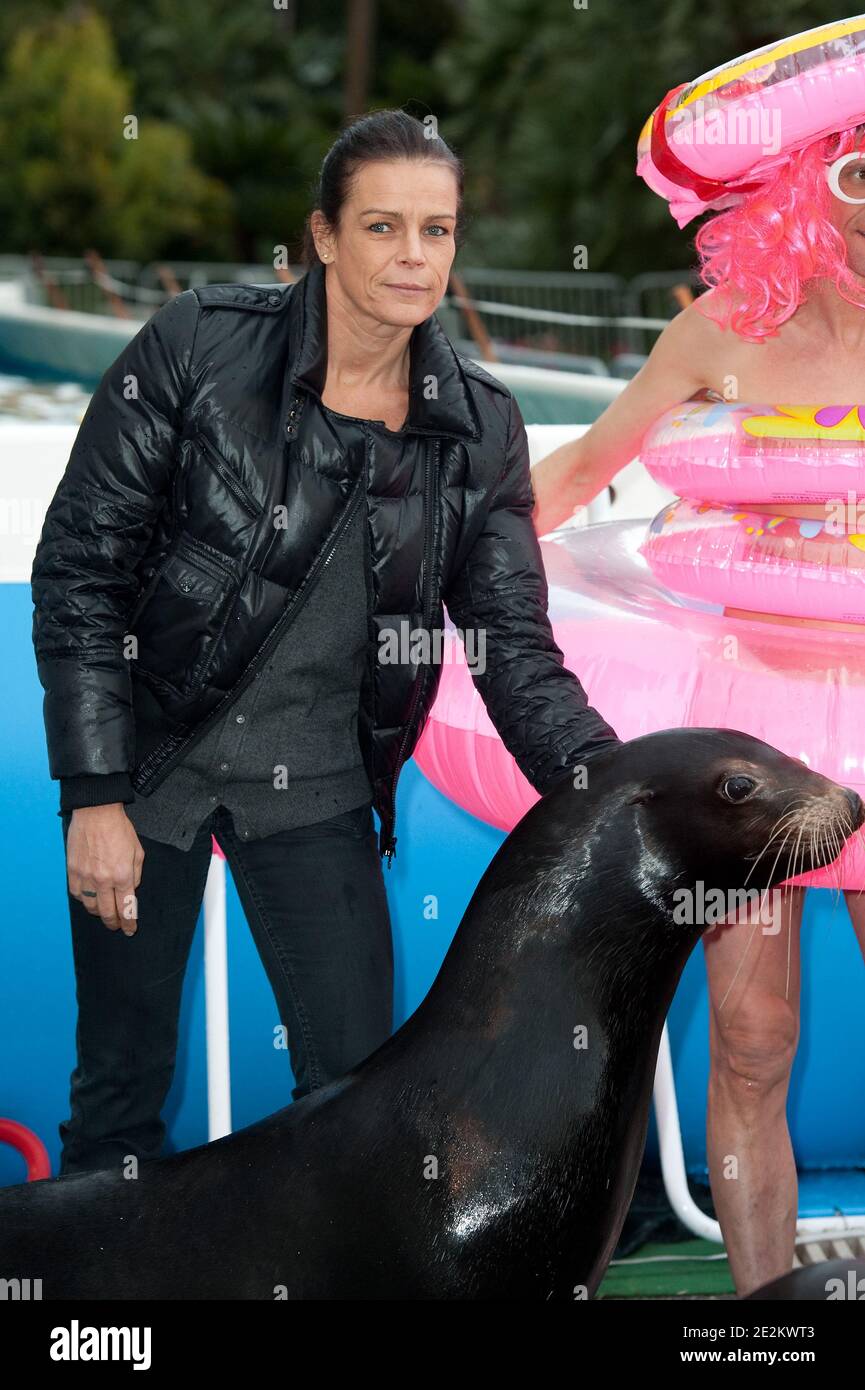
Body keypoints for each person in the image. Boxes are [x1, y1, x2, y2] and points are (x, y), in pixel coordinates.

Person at [30, 108, 621, 1178]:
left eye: (435, 232)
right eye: (384, 227)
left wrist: (616, 791)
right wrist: (94, 792)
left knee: (357, 1106)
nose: (412, 257)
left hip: (317, 790)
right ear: (324, 235)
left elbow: (514, 652)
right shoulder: (198, 344)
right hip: (150, 762)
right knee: (116, 1094)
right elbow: (81, 571)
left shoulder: (478, 425)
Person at [530, 121, 865, 1294]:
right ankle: (764, 1312)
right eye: (859, 172)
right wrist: (407, 563)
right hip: (756, 727)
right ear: (805, 186)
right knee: (754, 1035)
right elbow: (577, 474)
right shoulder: (730, 332)